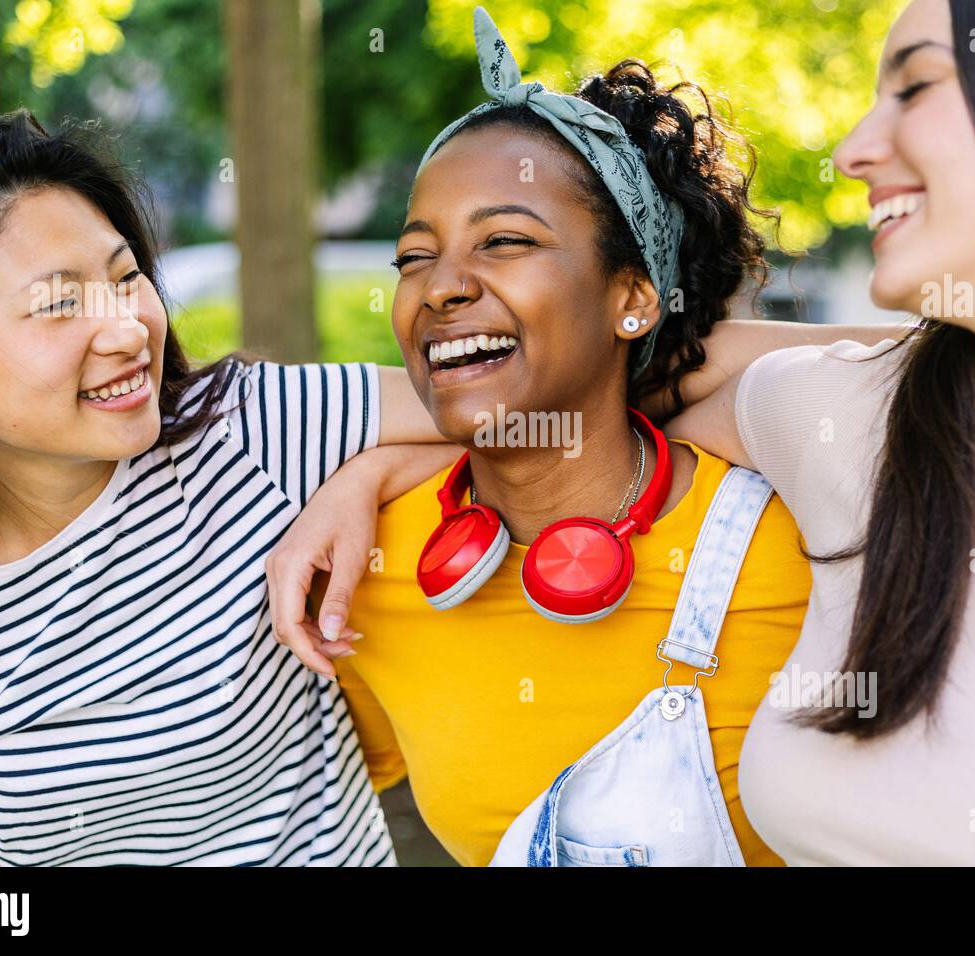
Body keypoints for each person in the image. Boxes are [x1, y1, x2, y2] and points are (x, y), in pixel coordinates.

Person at [265, 7, 896, 867]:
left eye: (506, 242)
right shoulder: (367, 570)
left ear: (632, 296)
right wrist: (378, 472)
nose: (442, 285)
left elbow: (971, 362)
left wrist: (667, 360)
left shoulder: (804, 527)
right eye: (415, 256)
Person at [667, 0, 975, 864]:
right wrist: (373, 468)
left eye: (917, 84)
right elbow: (604, 378)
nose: (853, 151)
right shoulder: (849, 417)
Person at [0, 110, 446, 865]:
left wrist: (366, 479)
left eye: (125, 278)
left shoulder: (247, 434)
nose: (128, 329)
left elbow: (530, 418)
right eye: (58, 304)